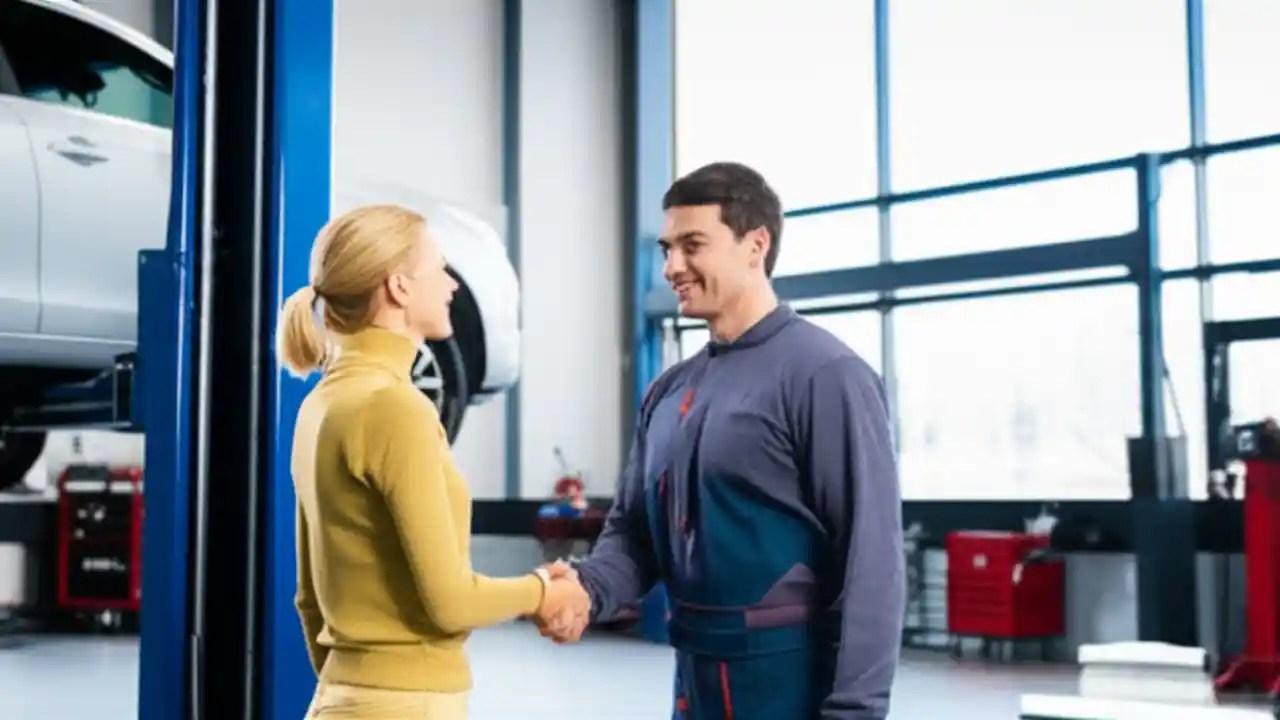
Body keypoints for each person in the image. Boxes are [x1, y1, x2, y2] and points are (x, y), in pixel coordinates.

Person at [543, 162, 906, 719]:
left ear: (756, 244)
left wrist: (855, 712)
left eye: (692, 246)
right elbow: (634, 535)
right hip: (694, 686)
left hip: (790, 690)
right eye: (667, 249)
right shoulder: (668, 392)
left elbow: (871, 565)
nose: (672, 267)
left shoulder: (828, 376)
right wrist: (586, 590)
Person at [276, 203, 588, 719]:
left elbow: (310, 599)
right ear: (398, 287)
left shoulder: (322, 404)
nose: (452, 286)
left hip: (340, 698)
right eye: (440, 268)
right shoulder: (396, 409)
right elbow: (450, 600)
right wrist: (542, 592)